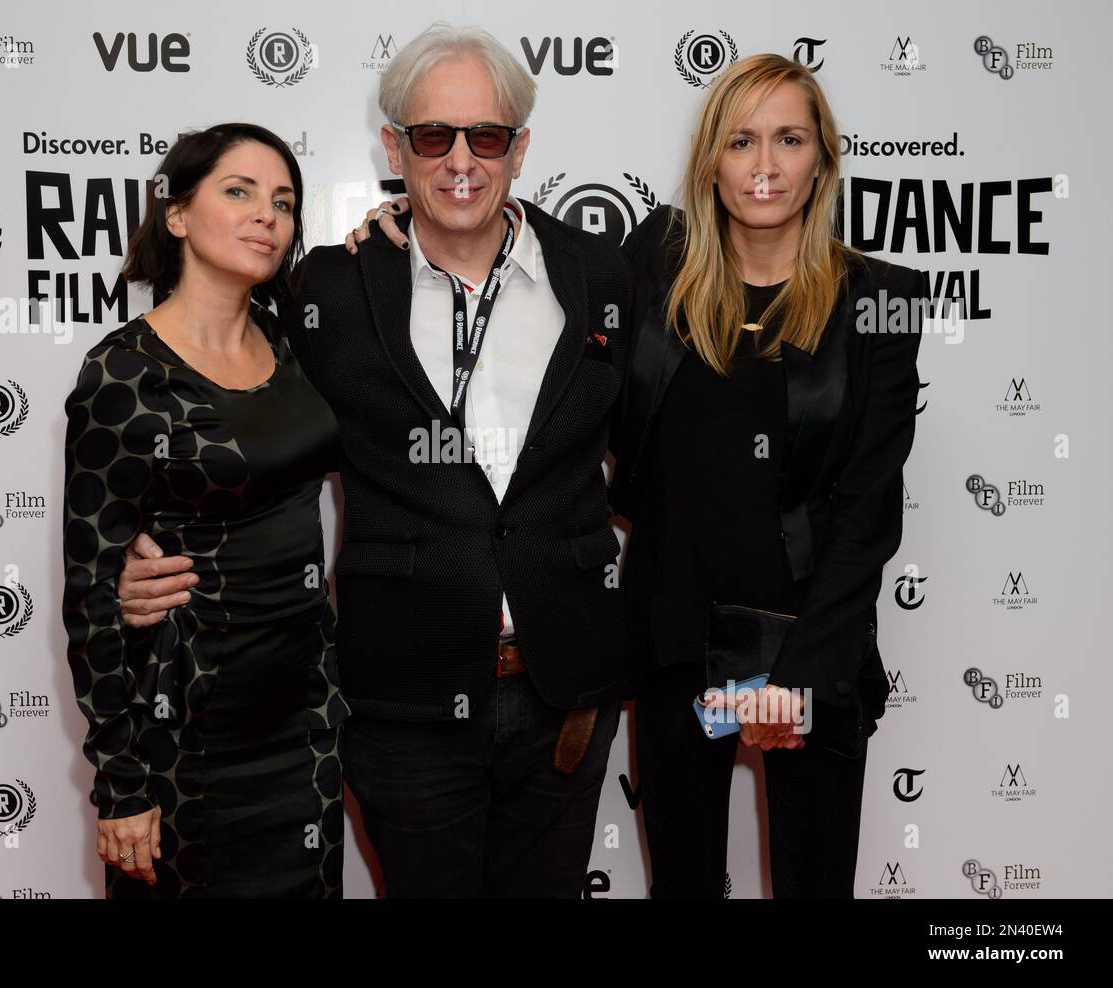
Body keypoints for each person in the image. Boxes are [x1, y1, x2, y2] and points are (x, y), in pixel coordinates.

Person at [353, 52, 923, 898]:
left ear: (823, 158)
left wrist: (797, 673)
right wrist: (399, 227)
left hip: (813, 650)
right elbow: (521, 254)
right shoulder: (655, 263)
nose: (763, 166)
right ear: (710, 161)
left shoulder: (882, 300)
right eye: (740, 141)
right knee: (681, 884)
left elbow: (868, 513)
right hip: (671, 644)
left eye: (789, 140)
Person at [118, 23, 632, 898]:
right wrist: (148, 545)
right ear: (395, 147)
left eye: (486, 136)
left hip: (566, 688)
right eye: (432, 135)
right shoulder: (329, 288)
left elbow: (664, 448)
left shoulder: (606, 276)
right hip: (403, 699)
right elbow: (244, 422)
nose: (459, 158)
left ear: (520, 149)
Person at [61, 123, 348, 899]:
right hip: (185, 731)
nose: (269, 216)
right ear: (177, 215)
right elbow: (91, 594)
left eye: (284, 203)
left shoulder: (291, 345)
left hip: (304, 723)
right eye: (239, 191)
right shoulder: (122, 375)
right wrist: (120, 785)